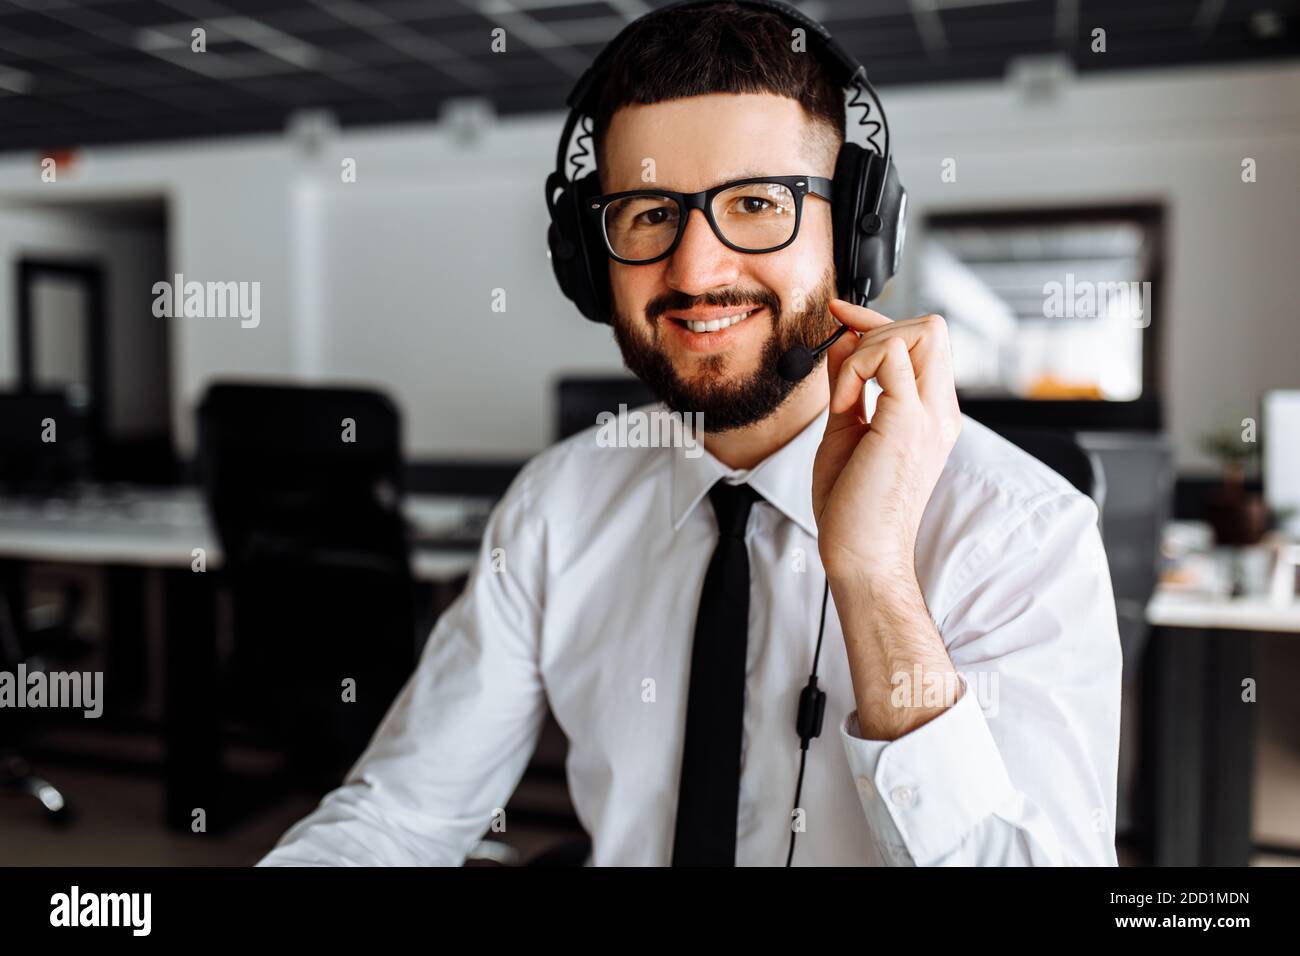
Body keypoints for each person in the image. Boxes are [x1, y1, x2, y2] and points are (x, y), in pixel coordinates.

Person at [259, 0, 1120, 867]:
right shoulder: (557, 506)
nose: (697, 270)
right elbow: (398, 819)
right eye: (648, 212)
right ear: (589, 263)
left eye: (756, 202)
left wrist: (875, 581)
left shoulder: (1020, 533)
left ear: (860, 235)